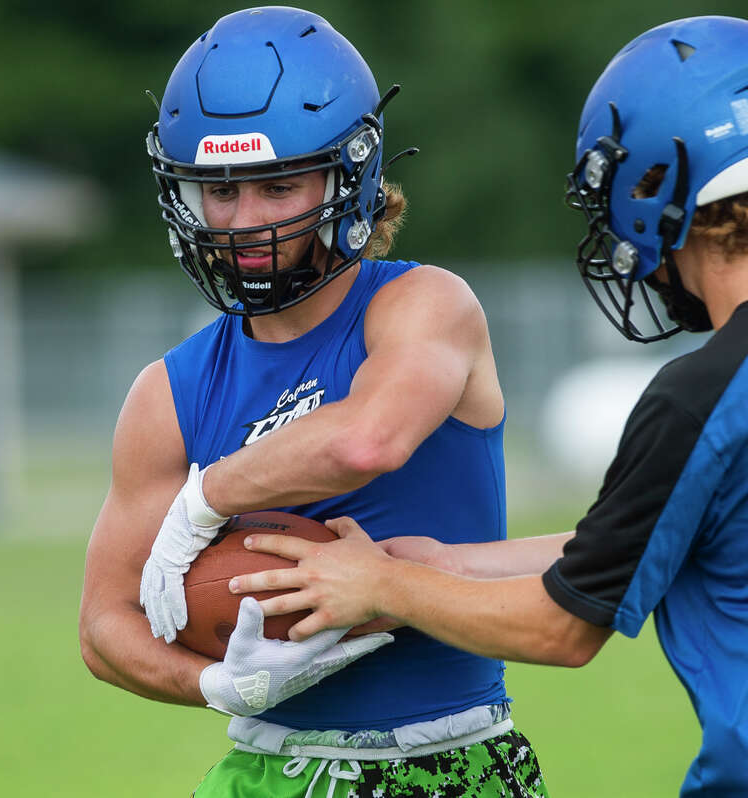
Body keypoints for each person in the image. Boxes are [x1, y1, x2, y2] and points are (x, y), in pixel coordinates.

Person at [230, 16, 748, 796]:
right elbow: (657, 537)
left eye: (624, 188)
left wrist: (383, 587)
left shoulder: (708, 391)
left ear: (665, 188)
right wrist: (447, 564)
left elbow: (562, 629)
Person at [77, 7, 549, 797]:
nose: (245, 222)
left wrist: (205, 497)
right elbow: (103, 626)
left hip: (450, 762)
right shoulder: (168, 391)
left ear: (349, 176)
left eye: (278, 186)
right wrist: (215, 685)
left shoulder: (425, 305)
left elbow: (368, 440)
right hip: (264, 768)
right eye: (218, 190)